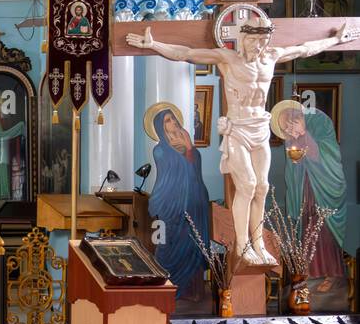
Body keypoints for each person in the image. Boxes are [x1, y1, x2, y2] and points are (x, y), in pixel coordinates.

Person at [127, 20, 353, 264]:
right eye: (253, 40)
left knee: (262, 187)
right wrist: (154, 45)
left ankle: (258, 245)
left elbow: (305, 48)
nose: (258, 45)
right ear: (242, 38)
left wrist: (335, 40)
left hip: (260, 130)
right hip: (238, 131)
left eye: (262, 41)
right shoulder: (228, 59)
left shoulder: (272, 56)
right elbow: (187, 54)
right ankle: (243, 246)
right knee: (247, 185)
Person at [146, 108, 210, 301]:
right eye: (167, 120)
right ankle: (168, 289)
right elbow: (169, 177)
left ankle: (193, 291)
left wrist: (189, 148)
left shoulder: (187, 142)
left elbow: (196, 171)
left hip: (195, 201)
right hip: (173, 202)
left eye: (173, 118)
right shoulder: (160, 150)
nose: (172, 122)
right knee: (170, 246)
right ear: (160, 127)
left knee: (193, 243)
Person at [281, 106, 346, 290]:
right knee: (306, 229)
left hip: (325, 190)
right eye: (287, 129)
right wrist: (294, 149)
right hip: (306, 190)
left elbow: (326, 156)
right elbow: (294, 165)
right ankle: (308, 271)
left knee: (323, 231)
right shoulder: (293, 137)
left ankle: (331, 275)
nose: (290, 131)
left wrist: (304, 134)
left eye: (291, 126)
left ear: (301, 120)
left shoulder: (320, 126)